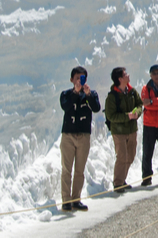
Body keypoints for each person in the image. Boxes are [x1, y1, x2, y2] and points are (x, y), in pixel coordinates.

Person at [60, 66, 101, 211]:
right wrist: (75, 93)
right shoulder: (66, 94)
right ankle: (66, 200)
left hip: (83, 135)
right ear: (71, 79)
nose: (79, 81)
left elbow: (96, 108)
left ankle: (76, 199)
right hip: (68, 135)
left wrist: (88, 95)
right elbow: (65, 106)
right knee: (66, 169)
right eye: (77, 78)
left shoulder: (91, 94)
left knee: (80, 169)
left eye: (82, 78)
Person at [105, 66, 142, 192]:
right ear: (120, 79)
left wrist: (137, 112)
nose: (128, 75)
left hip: (132, 129)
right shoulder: (112, 96)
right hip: (119, 131)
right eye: (125, 74)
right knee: (122, 156)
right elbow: (110, 116)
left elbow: (139, 104)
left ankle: (122, 179)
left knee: (130, 156)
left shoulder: (132, 91)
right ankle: (118, 183)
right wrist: (127, 116)